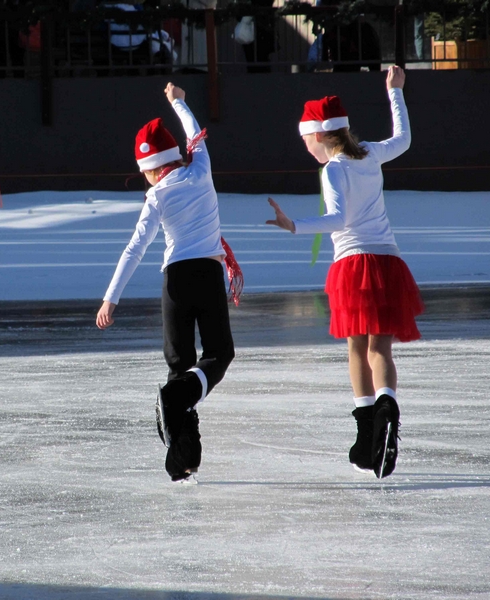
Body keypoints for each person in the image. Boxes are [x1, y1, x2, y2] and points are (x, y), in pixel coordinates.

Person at [266, 66, 423, 479]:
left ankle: (366, 433)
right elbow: (403, 140)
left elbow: (337, 219)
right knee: (380, 350)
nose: (306, 147)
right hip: (388, 262)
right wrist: (395, 92)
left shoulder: (332, 169)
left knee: (357, 349)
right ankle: (387, 403)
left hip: (354, 265)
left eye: (305, 140)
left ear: (318, 135)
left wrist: (294, 224)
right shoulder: (370, 152)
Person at [96, 82, 236, 484]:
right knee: (218, 355)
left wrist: (111, 300)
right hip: (207, 275)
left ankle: (183, 461)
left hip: (173, 280)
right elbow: (195, 131)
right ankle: (180, 429)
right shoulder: (201, 166)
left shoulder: (156, 198)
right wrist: (178, 101)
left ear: (153, 169)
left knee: (180, 369)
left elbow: (134, 249)